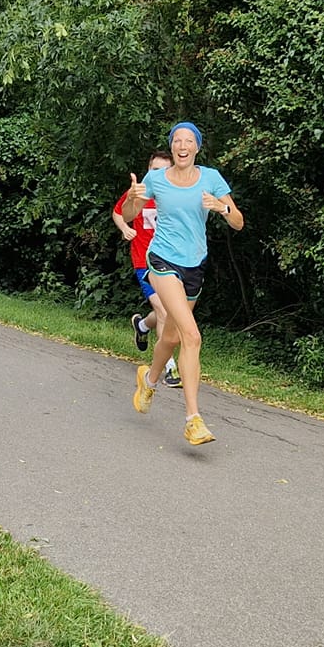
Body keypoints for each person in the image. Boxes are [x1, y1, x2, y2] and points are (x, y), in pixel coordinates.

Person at [121, 121, 244, 445]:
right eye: (178, 140)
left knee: (172, 335)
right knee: (191, 335)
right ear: (173, 146)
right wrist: (134, 198)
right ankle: (193, 420)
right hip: (161, 259)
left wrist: (222, 206)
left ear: (197, 147)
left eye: (189, 140)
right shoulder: (156, 179)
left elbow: (238, 221)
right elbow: (131, 213)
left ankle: (148, 380)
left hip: (194, 265)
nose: (183, 145)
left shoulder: (211, 178)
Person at [114, 150, 179, 388]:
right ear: (147, 171)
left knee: (167, 312)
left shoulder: (174, 196)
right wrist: (124, 228)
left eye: (164, 171)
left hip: (171, 263)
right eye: (154, 170)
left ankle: (142, 325)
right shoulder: (140, 193)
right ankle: (171, 367)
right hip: (145, 262)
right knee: (164, 311)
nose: (158, 175)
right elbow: (118, 211)